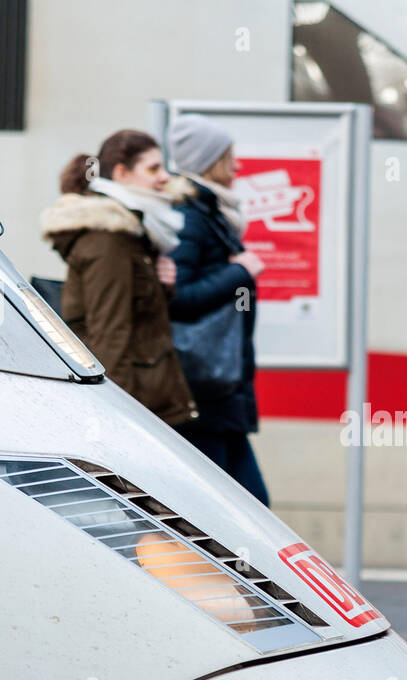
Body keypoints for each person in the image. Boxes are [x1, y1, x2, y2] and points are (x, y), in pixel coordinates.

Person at [41, 129, 198, 429]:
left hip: (146, 400)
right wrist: (117, 422)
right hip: (134, 408)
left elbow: (140, 320)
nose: (165, 177)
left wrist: (162, 286)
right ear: (123, 173)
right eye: (153, 168)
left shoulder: (135, 232)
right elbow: (109, 336)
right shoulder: (111, 238)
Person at [163, 114, 270, 506]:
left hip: (218, 387)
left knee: (247, 506)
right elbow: (182, 298)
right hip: (204, 386)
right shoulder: (193, 216)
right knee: (238, 508)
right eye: (229, 157)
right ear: (210, 162)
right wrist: (240, 271)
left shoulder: (209, 213)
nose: (237, 167)